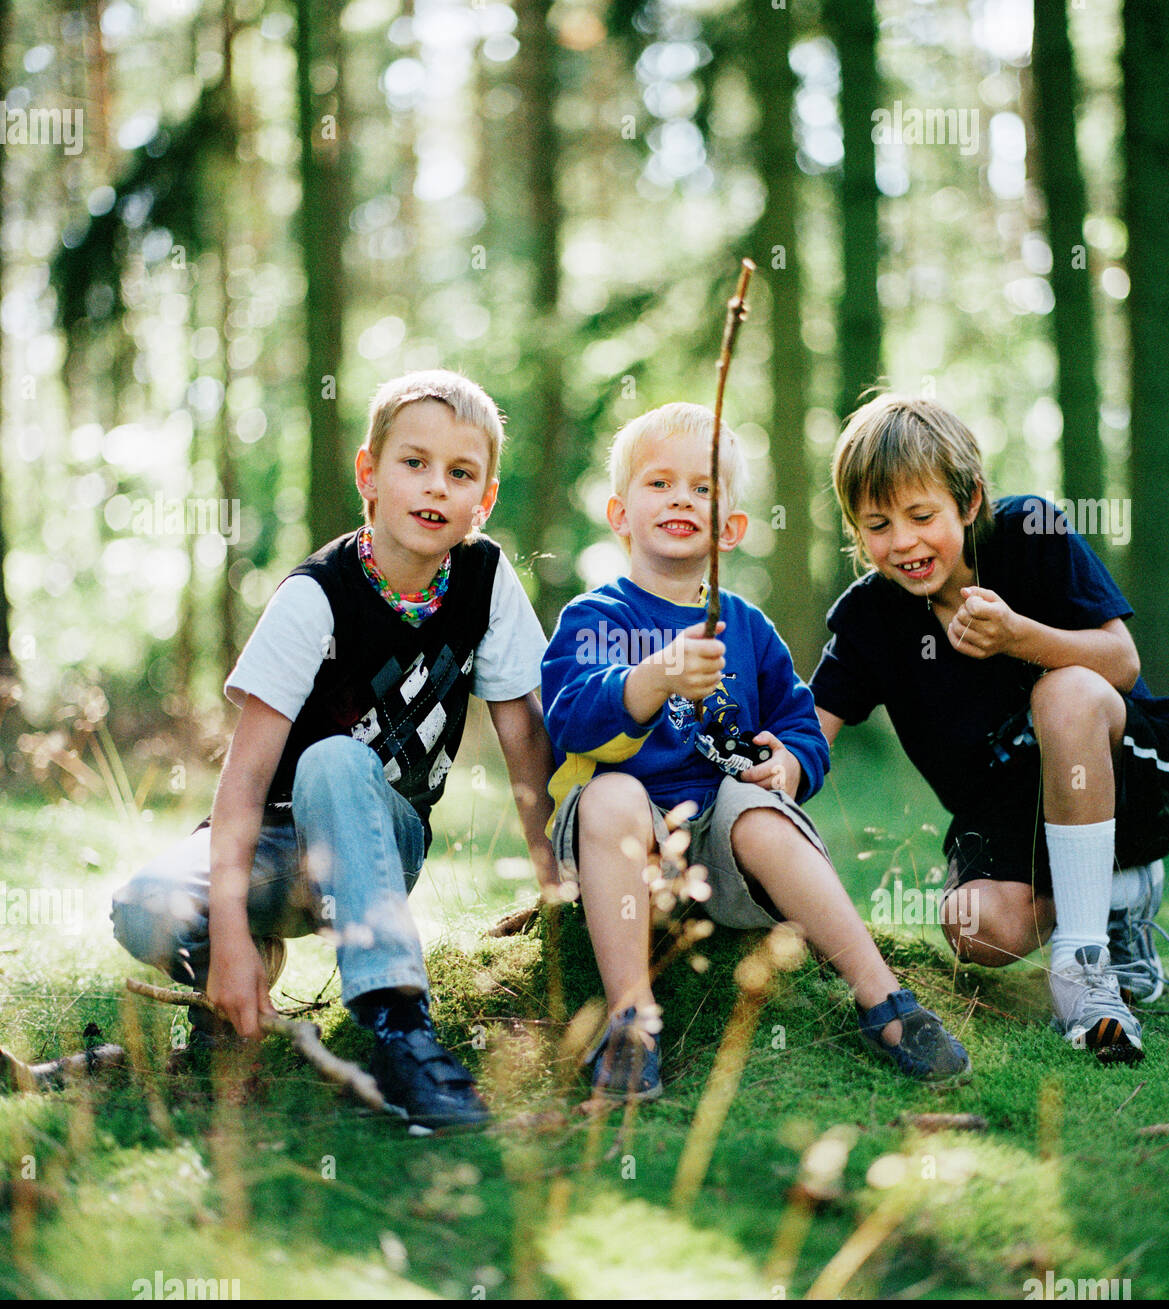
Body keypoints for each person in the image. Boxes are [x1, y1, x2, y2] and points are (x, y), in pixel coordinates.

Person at [112, 369, 556, 1132]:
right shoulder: (315, 595)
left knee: (337, 761)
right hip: (277, 843)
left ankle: (400, 1026)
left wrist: (556, 882)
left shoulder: (485, 581)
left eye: (460, 473)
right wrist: (224, 935)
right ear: (369, 475)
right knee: (141, 908)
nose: (434, 488)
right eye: (412, 463)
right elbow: (244, 781)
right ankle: (241, 986)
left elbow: (524, 743)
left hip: (384, 841)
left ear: (482, 499)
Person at [541, 402, 971, 1099]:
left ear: (731, 529)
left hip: (722, 855)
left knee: (758, 808)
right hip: (625, 849)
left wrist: (794, 763)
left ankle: (883, 998)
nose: (683, 497)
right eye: (660, 483)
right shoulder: (595, 618)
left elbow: (800, 723)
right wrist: (654, 677)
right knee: (616, 791)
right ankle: (629, 1017)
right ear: (620, 515)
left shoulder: (748, 627)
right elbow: (570, 722)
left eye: (704, 489)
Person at [810, 394, 1169, 1065]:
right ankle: (1119, 895)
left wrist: (1019, 637)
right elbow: (808, 731)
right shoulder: (868, 621)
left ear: (968, 502)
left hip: (1131, 769)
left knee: (1065, 692)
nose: (903, 542)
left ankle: (1085, 977)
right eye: (877, 525)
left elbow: (1121, 661)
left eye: (921, 515)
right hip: (1010, 817)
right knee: (975, 929)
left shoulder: (1031, 533)